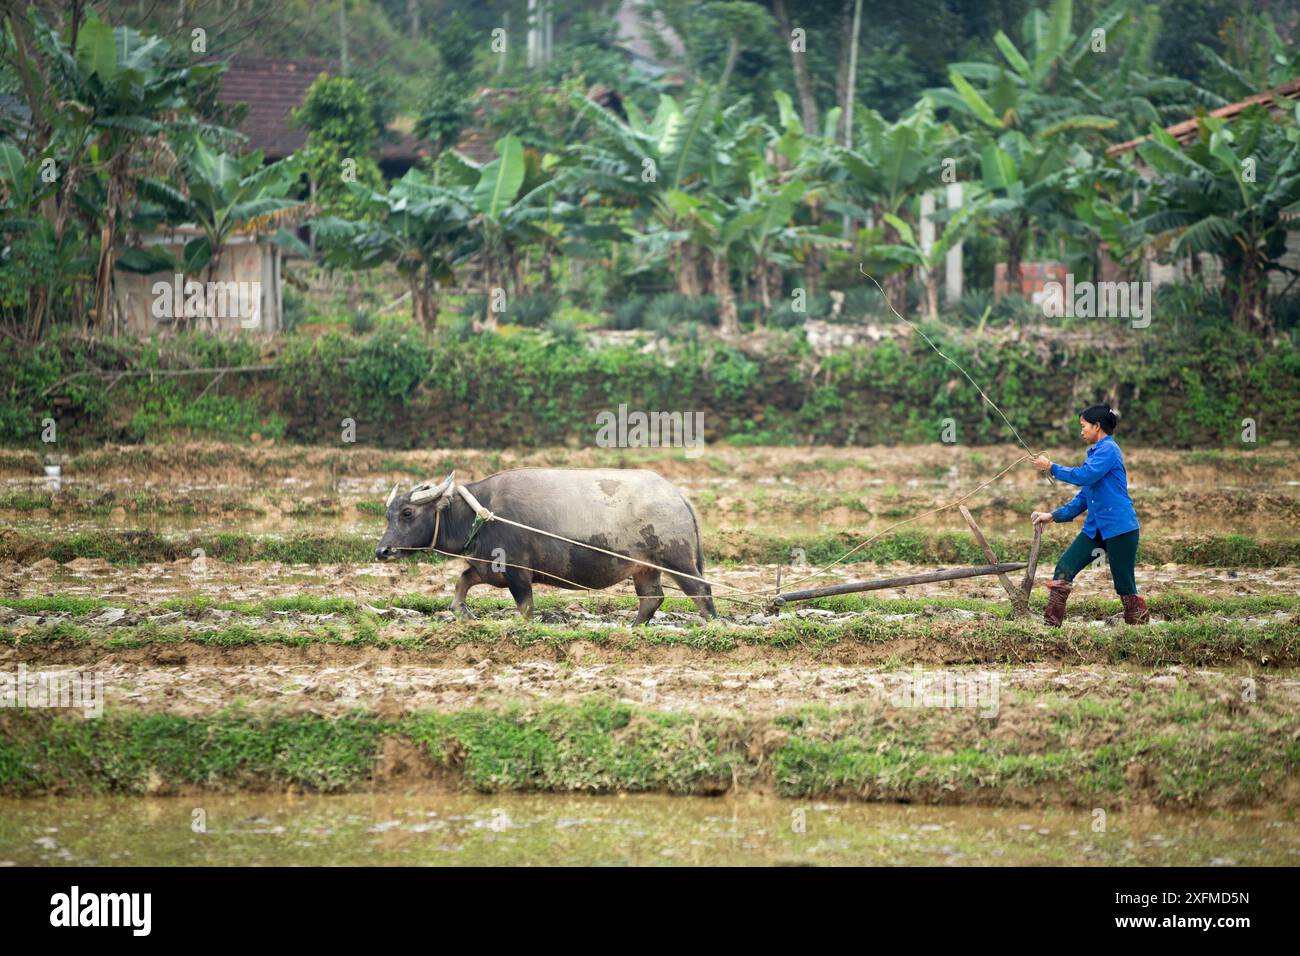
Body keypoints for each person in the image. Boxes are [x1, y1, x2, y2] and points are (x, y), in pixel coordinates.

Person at [1029, 404, 1148, 626]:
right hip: (1096, 528)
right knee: (1065, 567)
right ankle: (1051, 625)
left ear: (1097, 426)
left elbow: (1085, 475)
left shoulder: (1109, 450)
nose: (1081, 431)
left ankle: (1138, 626)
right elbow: (1083, 498)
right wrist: (1053, 516)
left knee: (1124, 583)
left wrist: (1052, 467)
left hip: (1120, 528)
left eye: (1084, 426)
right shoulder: (1095, 454)